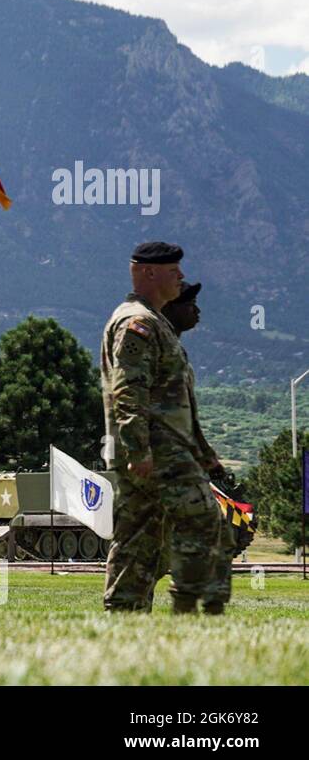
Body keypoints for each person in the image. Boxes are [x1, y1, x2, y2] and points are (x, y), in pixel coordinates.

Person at [101, 243, 220, 614]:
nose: (181, 277)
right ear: (147, 273)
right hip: (154, 453)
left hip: (163, 451)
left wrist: (201, 451)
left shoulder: (156, 322)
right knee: (200, 517)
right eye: (174, 271)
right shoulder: (138, 323)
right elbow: (128, 390)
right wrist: (139, 450)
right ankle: (185, 606)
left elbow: (174, 396)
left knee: (142, 538)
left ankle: (127, 613)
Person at [158, 281, 233, 613]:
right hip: (164, 458)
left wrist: (206, 456)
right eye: (190, 304)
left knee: (206, 529)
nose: (197, 311)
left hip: (180, 457)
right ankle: (194, 604)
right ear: (173, 306)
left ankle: (198, 604)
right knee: (207, 525)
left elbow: (186, 411)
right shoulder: (155, 340)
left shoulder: (175, 347)